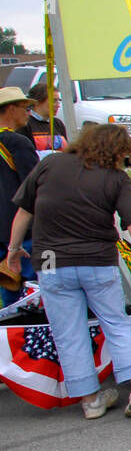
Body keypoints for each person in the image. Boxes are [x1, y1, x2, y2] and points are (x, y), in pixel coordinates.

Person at [6, 124, 131, 417]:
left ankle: (90, 402)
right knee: (116, 322)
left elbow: (25, 211)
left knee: (68, 332)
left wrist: (14, 250)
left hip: (50, 259)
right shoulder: (116, 178)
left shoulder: (50, 163)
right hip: (97, 258)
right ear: (117, 152)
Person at [1, 86, 40, 307]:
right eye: (26, 107)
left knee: (8, 284)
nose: (29, 112)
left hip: (2, 227)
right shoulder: (18, 142)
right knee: (34, 288)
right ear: (12, 109)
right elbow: (35, 186)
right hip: (23, 228)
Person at [17, 82, 68, 156]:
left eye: (58, 101)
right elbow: (25, 154)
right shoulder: (25, 124)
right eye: (54, 101)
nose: (58, 105)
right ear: (38, 101)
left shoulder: (57, 123)